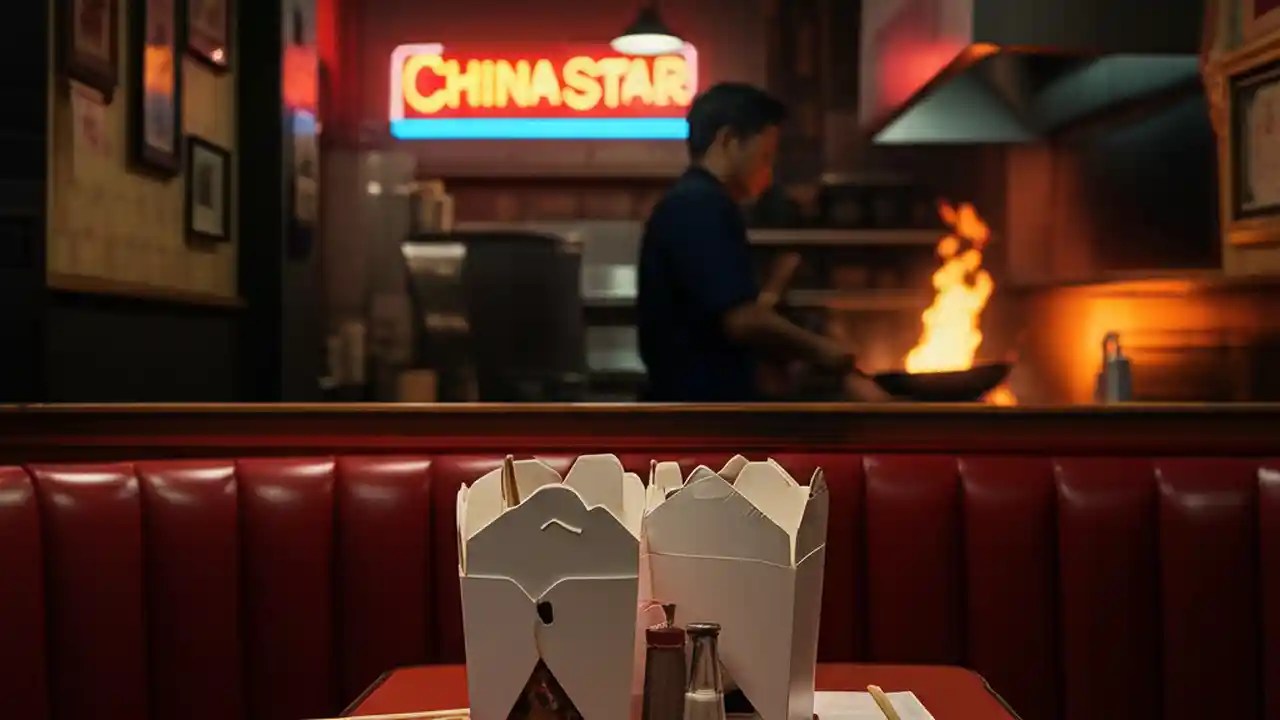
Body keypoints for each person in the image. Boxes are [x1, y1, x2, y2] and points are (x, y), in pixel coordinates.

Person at [637, 82, 888, 402]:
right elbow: (742, 322)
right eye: (766, 155)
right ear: (728, 140)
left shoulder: (696, 202)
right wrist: (827, 353)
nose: (769, 174)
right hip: (699, 415)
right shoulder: (700, 204)